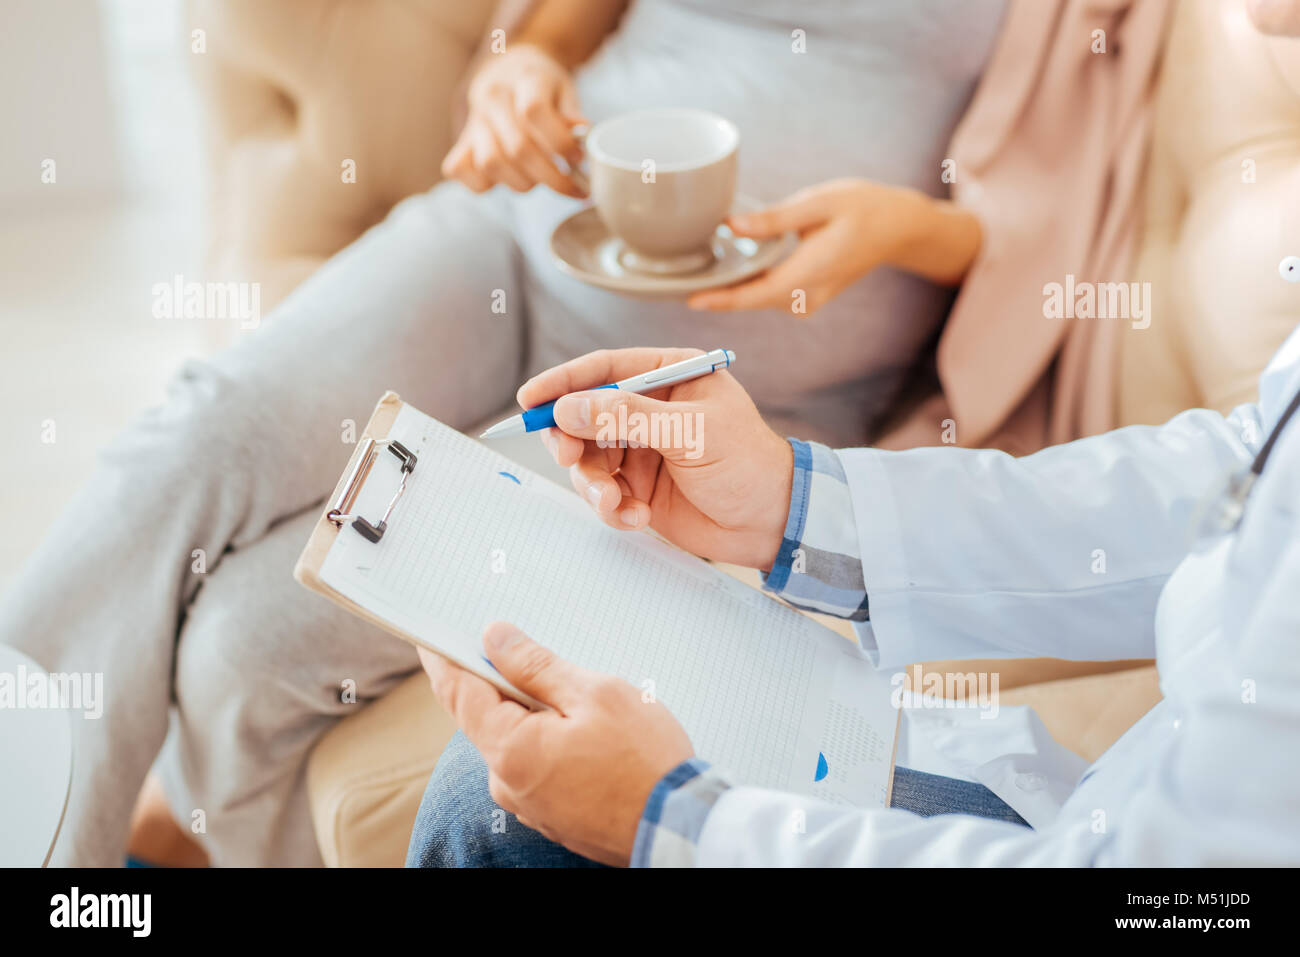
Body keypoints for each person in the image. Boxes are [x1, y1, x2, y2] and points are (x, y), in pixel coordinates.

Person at [1, 0, 1017, 866]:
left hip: (707, 398)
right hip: (518, 240)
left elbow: (1072, 199)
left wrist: (911, 230)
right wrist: (526, 58)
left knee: (247, 643)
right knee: (201, 439)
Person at [407, 306, 1300, 865]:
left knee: (492, 809)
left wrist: (677, 826)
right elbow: (1242, 475)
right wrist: (792, 504)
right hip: (1107, 807)